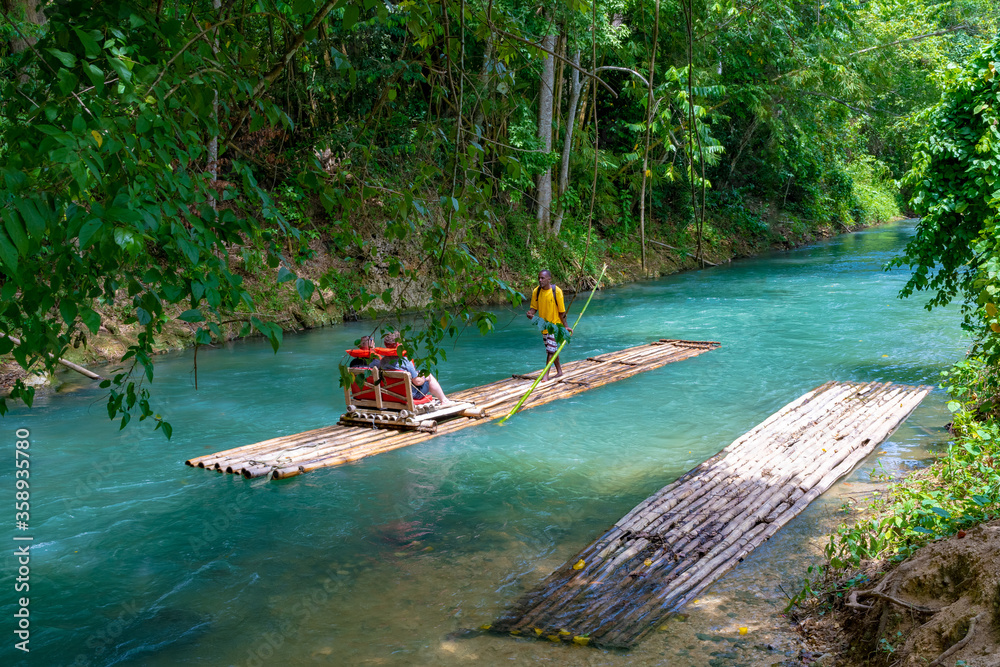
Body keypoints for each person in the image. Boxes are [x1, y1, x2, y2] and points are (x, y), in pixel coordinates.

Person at [378, 331, 452, 405]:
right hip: (409, 396)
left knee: (418, 374)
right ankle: (444, 400)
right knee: (427, 374)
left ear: (385, 344)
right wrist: (424, 378)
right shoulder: (405, 361)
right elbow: (417, 382)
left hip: (389, 394)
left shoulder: (382, 361)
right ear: (399, 344)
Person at [525, 269, 572, 381]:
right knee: (552, 350)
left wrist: (565, 326)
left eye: (542, 278)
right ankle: (559, 371)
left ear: (549, 279)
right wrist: (530, 314)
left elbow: (562, 312)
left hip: (555, 326)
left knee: (550, 351)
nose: (540, 280)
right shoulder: (536, 291)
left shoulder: (557, 291)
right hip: (544, 326)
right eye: (539, 278)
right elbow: (533, 308)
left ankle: (545, 374)